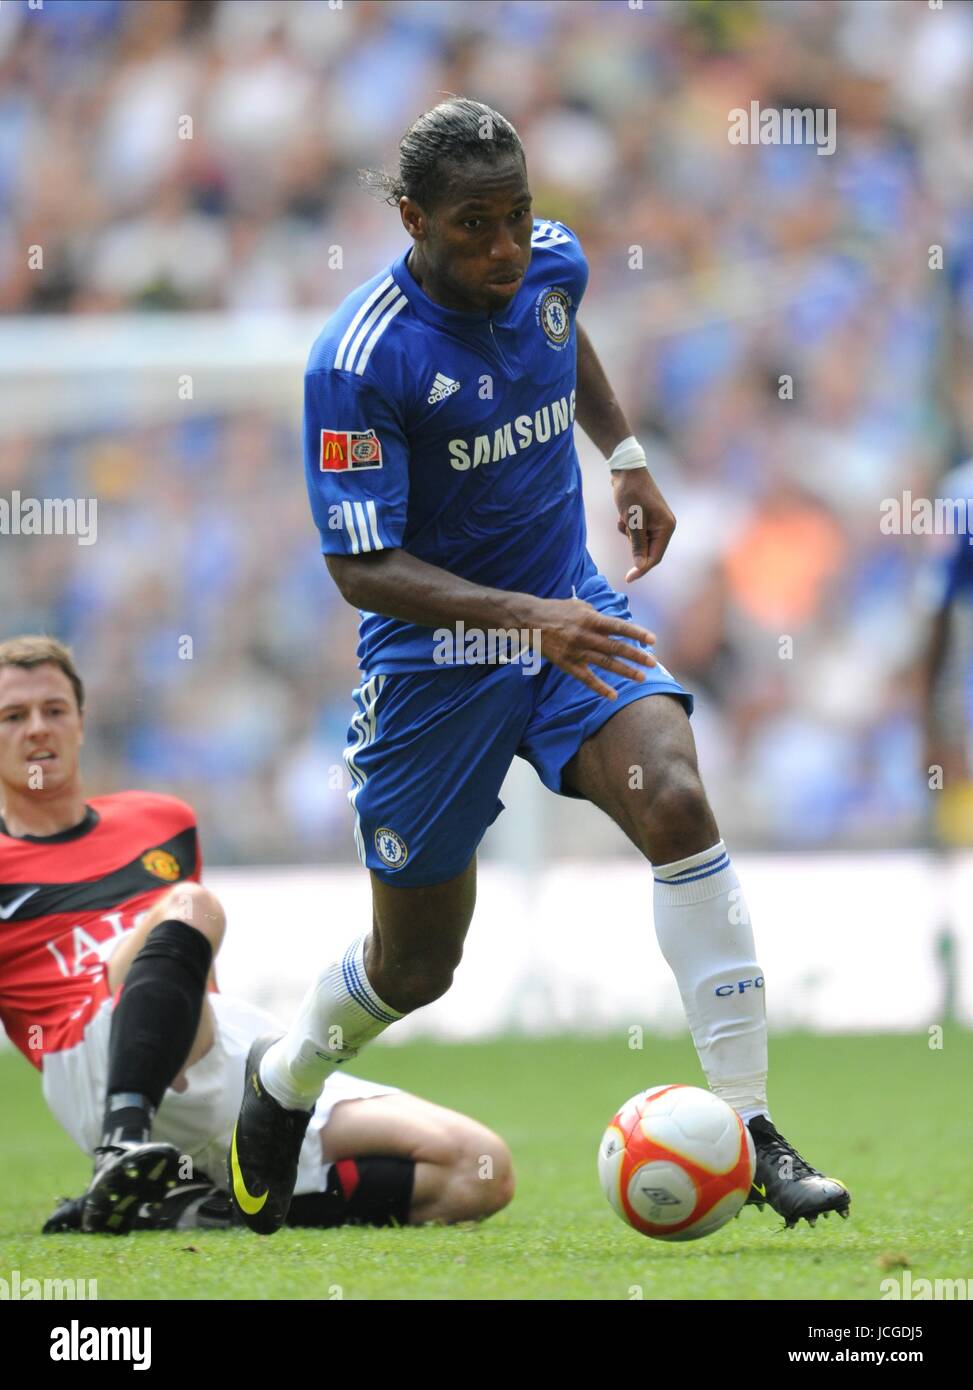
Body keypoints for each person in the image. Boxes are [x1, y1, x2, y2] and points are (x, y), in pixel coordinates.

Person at [230, 97, 850, 1236]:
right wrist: (526, 619)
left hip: (569, 615)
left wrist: (622, 454)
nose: (507, 247)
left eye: (517, 217)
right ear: (413, 218)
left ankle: (753, 1129)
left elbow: (560, 331)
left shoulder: (545, 266)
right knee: (415, 968)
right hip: (435, 664)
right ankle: (284, 1076)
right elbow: (360, 570)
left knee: (675, 797)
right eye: (475, 227)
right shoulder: (359, 361)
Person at [0, 635, 514, 1234]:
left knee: (478, 1170)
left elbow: (184, 974)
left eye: (54, 710)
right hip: (89, 1063)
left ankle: (192, 1204)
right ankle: (122, 1144)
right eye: (14, 716)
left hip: (208, 1047)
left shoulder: (161, 823)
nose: (38, 728)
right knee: (192, 906)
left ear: (82, 722)